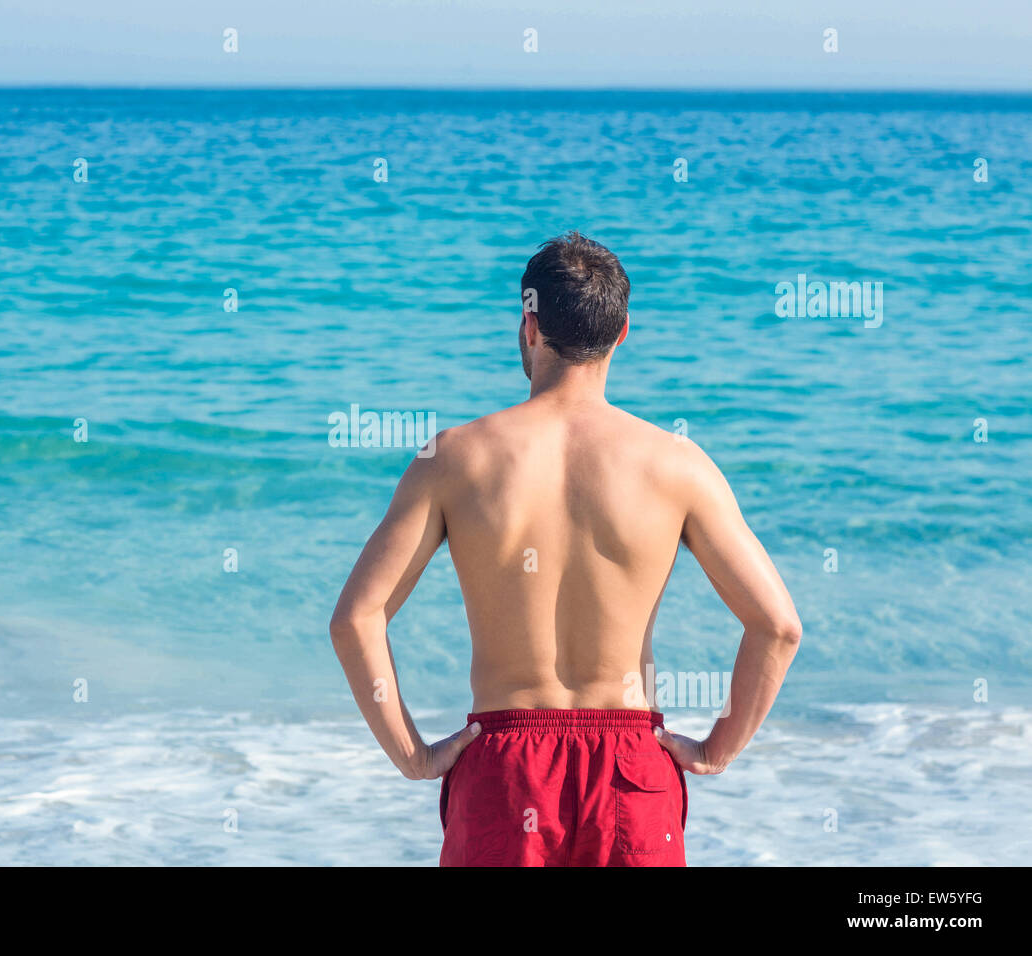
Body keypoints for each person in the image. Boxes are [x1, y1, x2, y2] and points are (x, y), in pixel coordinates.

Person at [329, 232, 801, 866]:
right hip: (634, 772)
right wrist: (718, 747)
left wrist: (413, 755)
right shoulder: (677, 465)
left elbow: (356, 619)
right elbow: (777, 627)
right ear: (623, 333)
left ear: (529, 324)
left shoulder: (454, 458)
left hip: (503, 771)